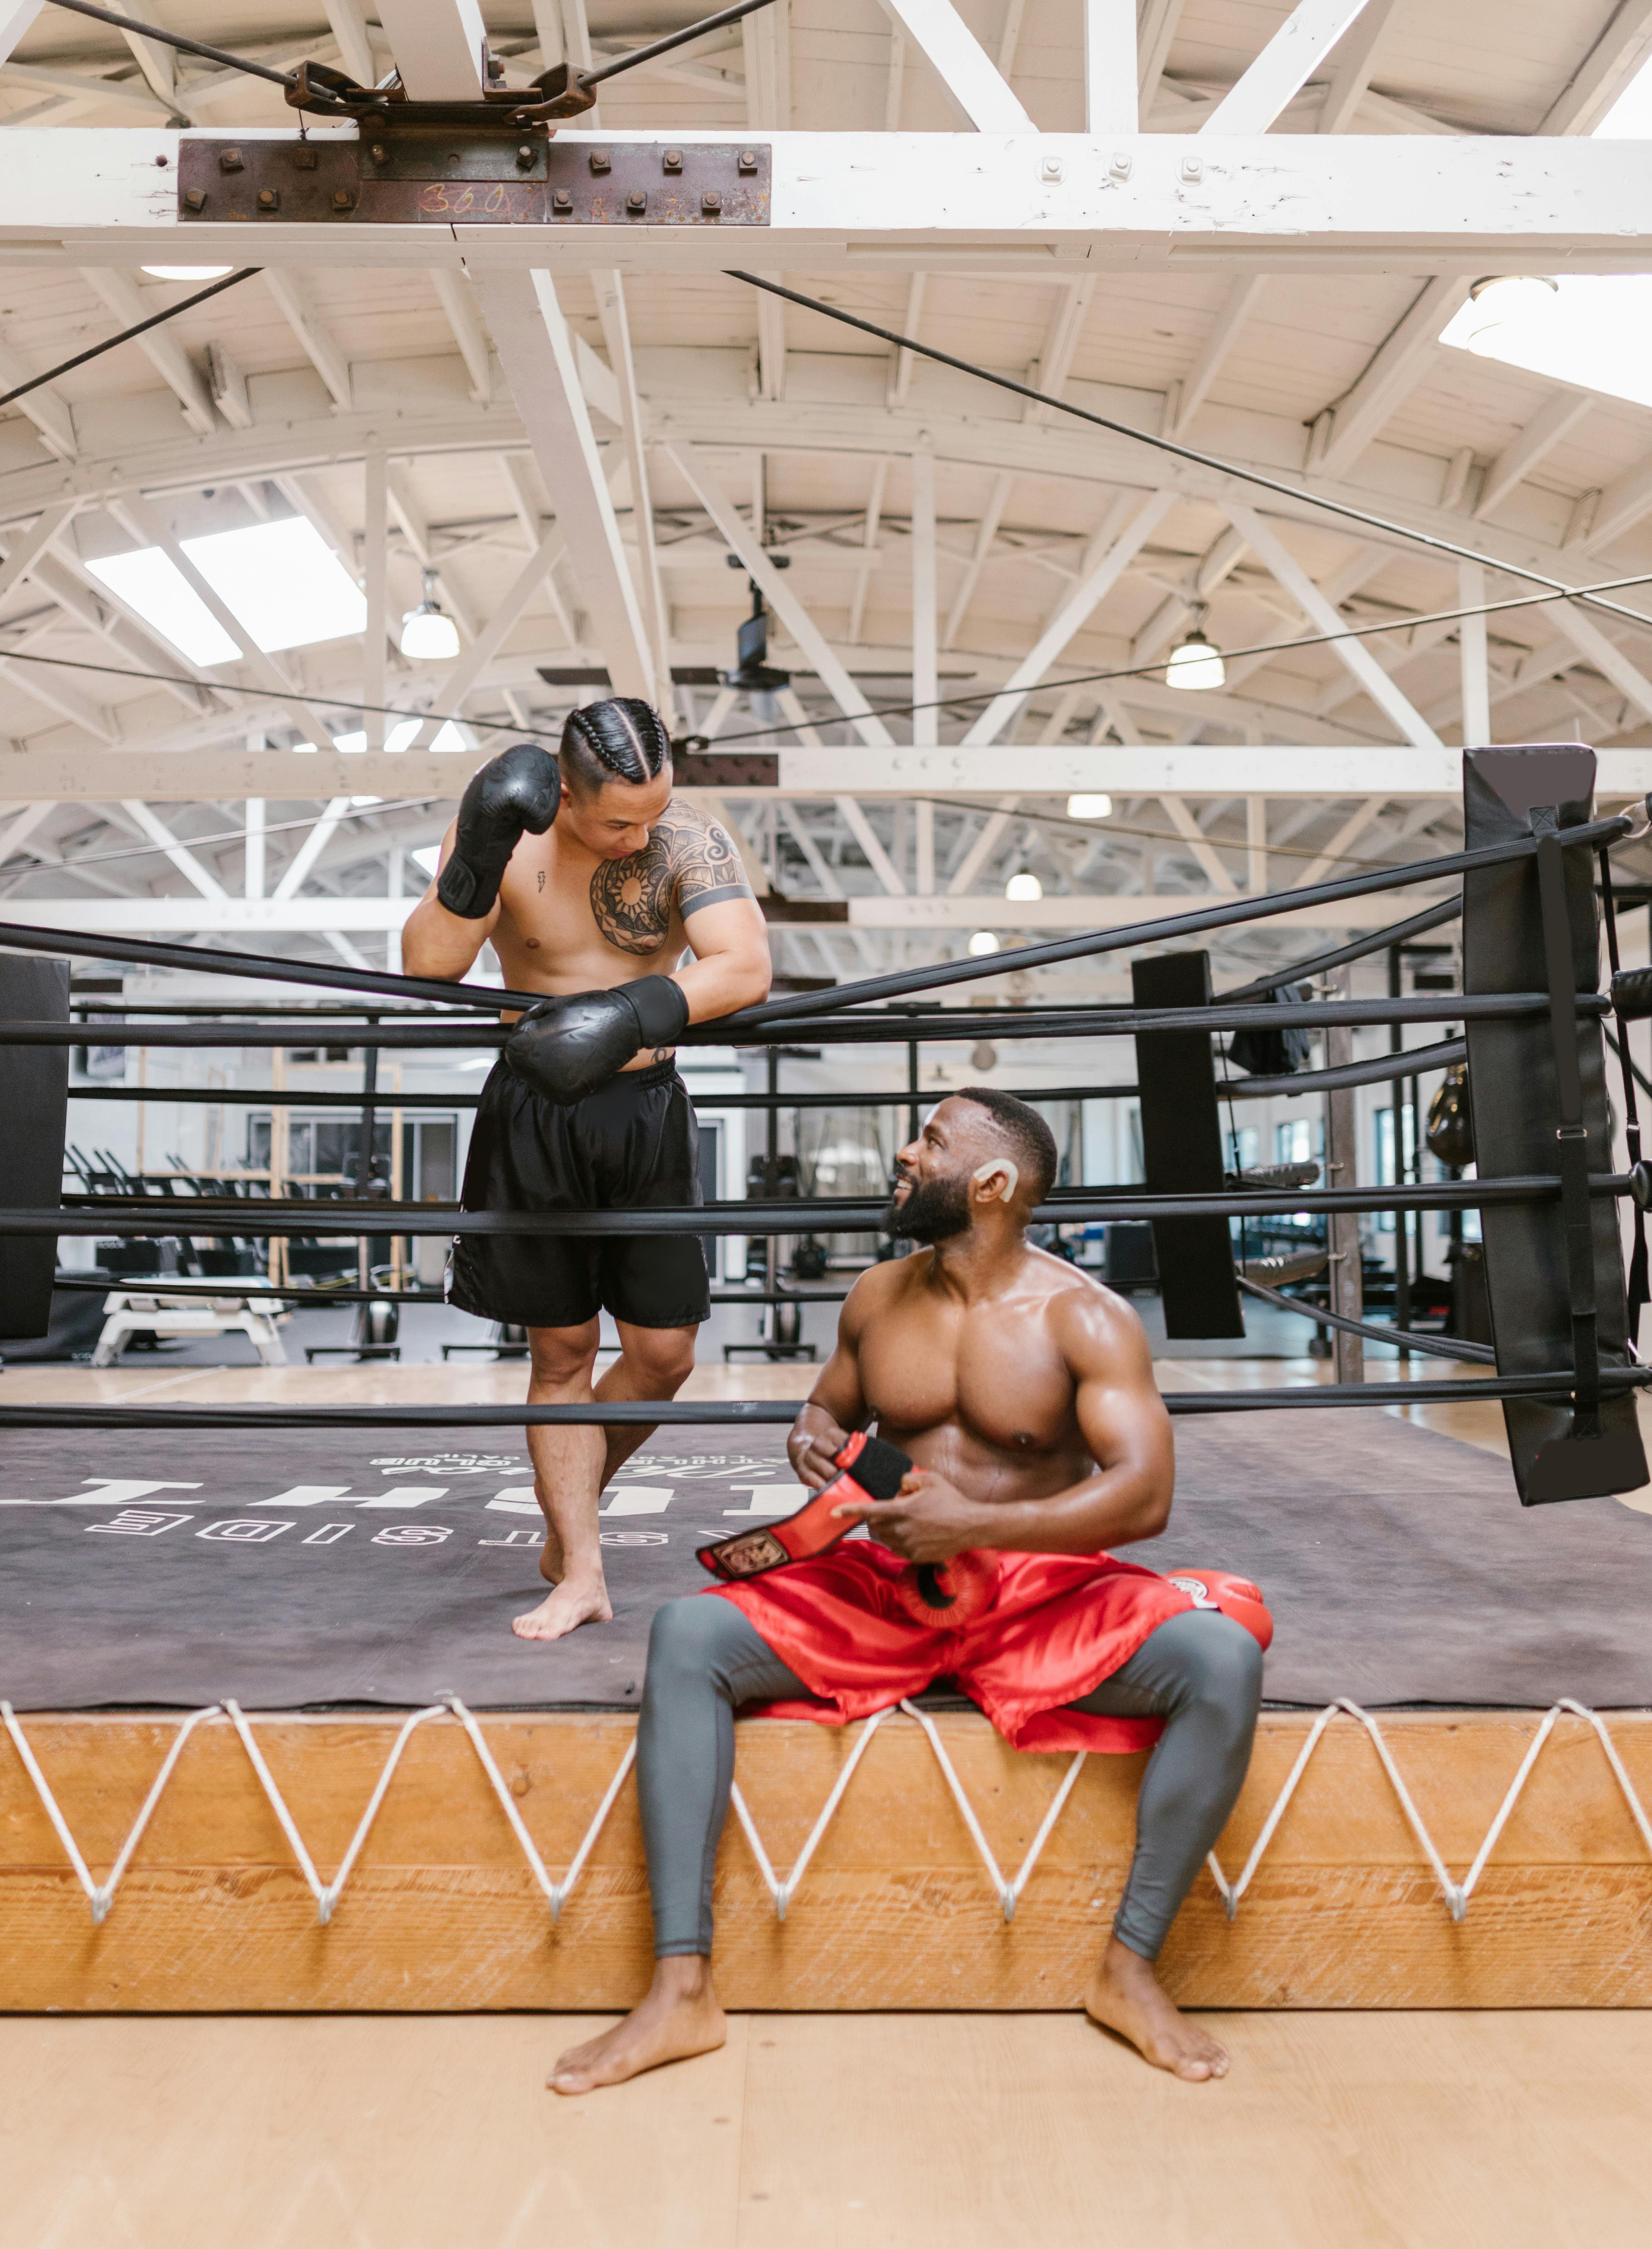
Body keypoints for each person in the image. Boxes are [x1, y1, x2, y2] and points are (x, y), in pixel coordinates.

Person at [551, 1088, 1267, 2096]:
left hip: (1034, 1593)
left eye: (930, 1140)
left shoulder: (1084, 1318)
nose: (903, 1150)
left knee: (1221, 1657)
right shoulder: (877, 1298)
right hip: (882, 1586)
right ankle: (680, 1990)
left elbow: (1144, 1496)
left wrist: (979, 1527)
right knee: (687, 1636)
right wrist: (810, 1435)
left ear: (992, 1182)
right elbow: (826, 1409)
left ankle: (1130, 1968)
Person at [402, 696, 771, 1641]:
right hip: (535, 1112)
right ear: (562, 792)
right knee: (561, 1356)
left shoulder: (685, 835)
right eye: (618, 819)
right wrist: (479, 850)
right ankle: (582, 1566)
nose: (638, 834)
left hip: (645, 1105)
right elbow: (427, 967)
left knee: (664, 1355)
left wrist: (623, 1015)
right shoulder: (500, 827)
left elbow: (742, 966)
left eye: (653, 811)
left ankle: (573, 1505)